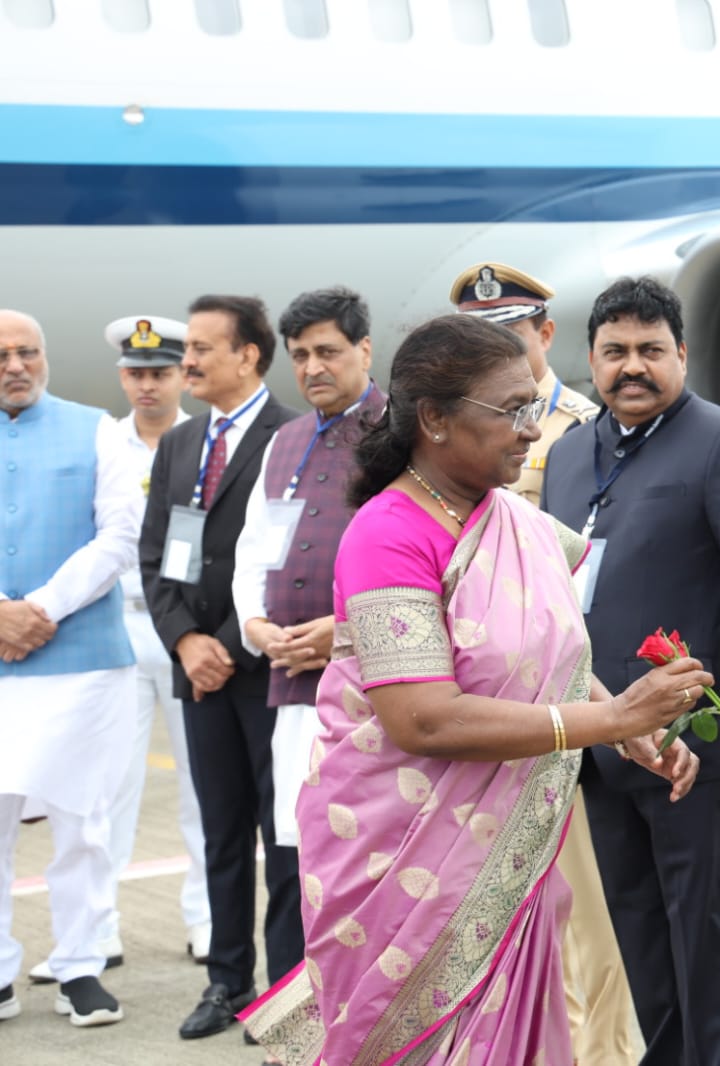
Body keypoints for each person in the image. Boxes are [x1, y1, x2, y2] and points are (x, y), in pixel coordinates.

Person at [239, 313, 704, 1066]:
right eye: (512, 410)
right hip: (397, 858)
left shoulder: (515, 520)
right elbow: (421, 719)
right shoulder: (389, 533)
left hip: (502, 855)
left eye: (535, 406)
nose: (531, 429)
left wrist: (624, 727)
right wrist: (605, 717)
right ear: (434, 418)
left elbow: (545, 655)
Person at [542, 277, 720, 1066]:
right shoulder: (567, 455)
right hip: (601, 741)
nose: (632, 368)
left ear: (681, 354)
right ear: (591, 358)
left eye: (651, 351)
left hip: (694, 748)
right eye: (615, 352)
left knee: (705, 939)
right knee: (638, 934)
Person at [450, 261, 631, 1062]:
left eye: (512, 335)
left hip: (568, 687)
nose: (498, 353)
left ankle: (602, 1049)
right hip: (486, 696)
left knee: (586, 906)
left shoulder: (588, 429)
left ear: (545, 335)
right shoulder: (458, 433)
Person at [22, 314, 212, 983]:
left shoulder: (204, 442)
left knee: (203, 782)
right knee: (102, 790)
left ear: (181, 375)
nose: (147, 386)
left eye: (160, 373)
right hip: (116, 626)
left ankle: (205, 921)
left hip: (189, 628)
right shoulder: (103, 441)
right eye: (134, 374)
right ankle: (94, 935)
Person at [139, 295, 302, 1043]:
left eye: (204, 348)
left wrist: (229, 644)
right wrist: (184, 643)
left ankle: (291, 989)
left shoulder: (292, 438)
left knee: (284, 832)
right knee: (222, 832)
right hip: (197, 671)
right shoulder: (181, 442)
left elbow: (291, 560)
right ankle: (227, 982)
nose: (188, 362)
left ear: (249, 355)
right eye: (188, 348)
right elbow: (157, 557)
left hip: (268, 669)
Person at [0, 308, 141, 1028]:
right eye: (2, 355)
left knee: (81, 821)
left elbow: (119, 533)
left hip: (81, 660)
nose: (16, 365)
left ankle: (81, 966)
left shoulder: (95, 428)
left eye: (28, 352)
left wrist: (38, 610)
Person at [232, 286, 386, 859]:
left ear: (364, 350)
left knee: (368, 849)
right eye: (300, 356)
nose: (313, 368)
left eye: (328, 351)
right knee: (303, 849)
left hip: (374, 685)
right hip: (290, 682)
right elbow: (252, 548)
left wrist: (342, 633)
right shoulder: (283, 441)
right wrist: (254, 625)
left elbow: (431, 563)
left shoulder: (401, 434)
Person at [449, 262, 598, 503]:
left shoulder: (582, 424)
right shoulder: (456, 419)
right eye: (479, 338)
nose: (492, 351)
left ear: (545, 334)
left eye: (509, 337)